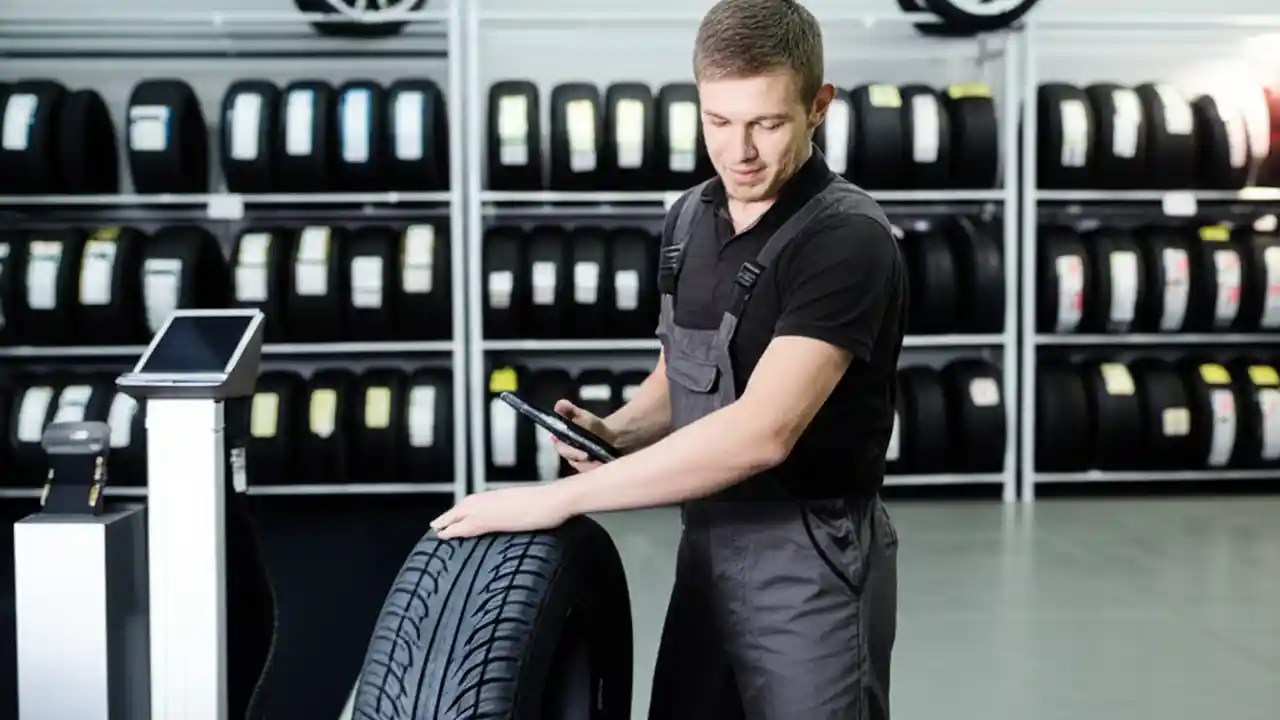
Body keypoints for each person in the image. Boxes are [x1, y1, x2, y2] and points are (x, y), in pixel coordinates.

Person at [430, 0, 905, 716]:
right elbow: (683, 372)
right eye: (719, 121)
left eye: (767, 123)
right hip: (707, 544)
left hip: (809, 556)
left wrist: (553, 502)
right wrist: (617, 432)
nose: (739, 150)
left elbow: (763, 430)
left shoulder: (846, 240)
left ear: (819, 107)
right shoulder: (690, 219)